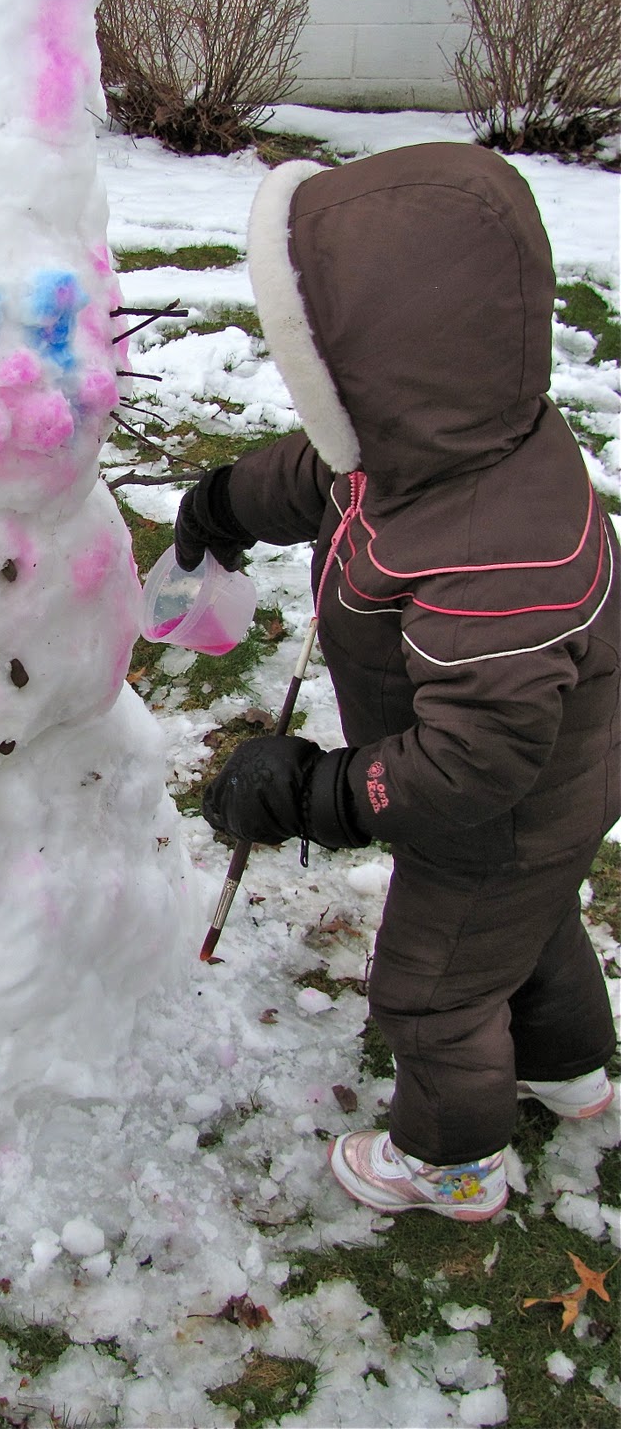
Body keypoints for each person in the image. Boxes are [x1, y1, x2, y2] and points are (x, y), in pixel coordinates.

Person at [175, 142, 618, 1222]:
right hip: (542, 793)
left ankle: (451, 1162)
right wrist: (226, 503)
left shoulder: (500, 567)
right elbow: (335, 475)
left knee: (433, 985)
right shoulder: (447, 437)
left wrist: (316, 790)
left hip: (501, 804)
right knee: (522, 925)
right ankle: (569, 1071)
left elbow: (470, 761)